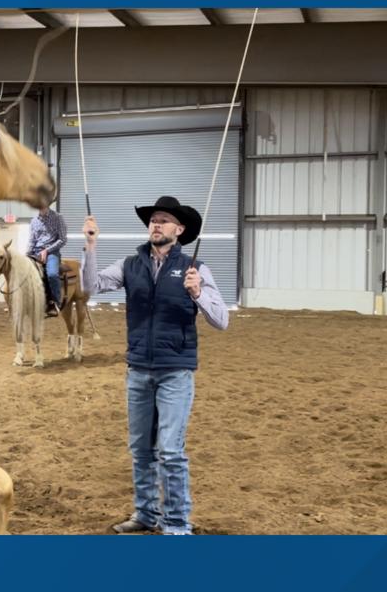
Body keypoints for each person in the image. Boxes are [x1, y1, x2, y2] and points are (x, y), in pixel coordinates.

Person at [80, 196, 229, 536]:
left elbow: (221, 320)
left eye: (164, 220)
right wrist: (91, 246)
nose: (156, 224)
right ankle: (146, 514)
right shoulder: (131, 264)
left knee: (171, 451)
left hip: (175, 370)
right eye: (153, 220)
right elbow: (90, 287)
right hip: (138, 370)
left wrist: (198, 294)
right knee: (141, 450)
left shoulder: (196, 268)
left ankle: (176, 523)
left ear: (180, 229)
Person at [27, 205, 68, 317]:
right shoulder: (34, 221)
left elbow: (63, 239)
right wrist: (27, 254)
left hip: (52, 253)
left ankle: (55, 303)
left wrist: (47, 250)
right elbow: (32, 240)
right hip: (36, 252)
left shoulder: (58, 218)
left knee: (52, 274)